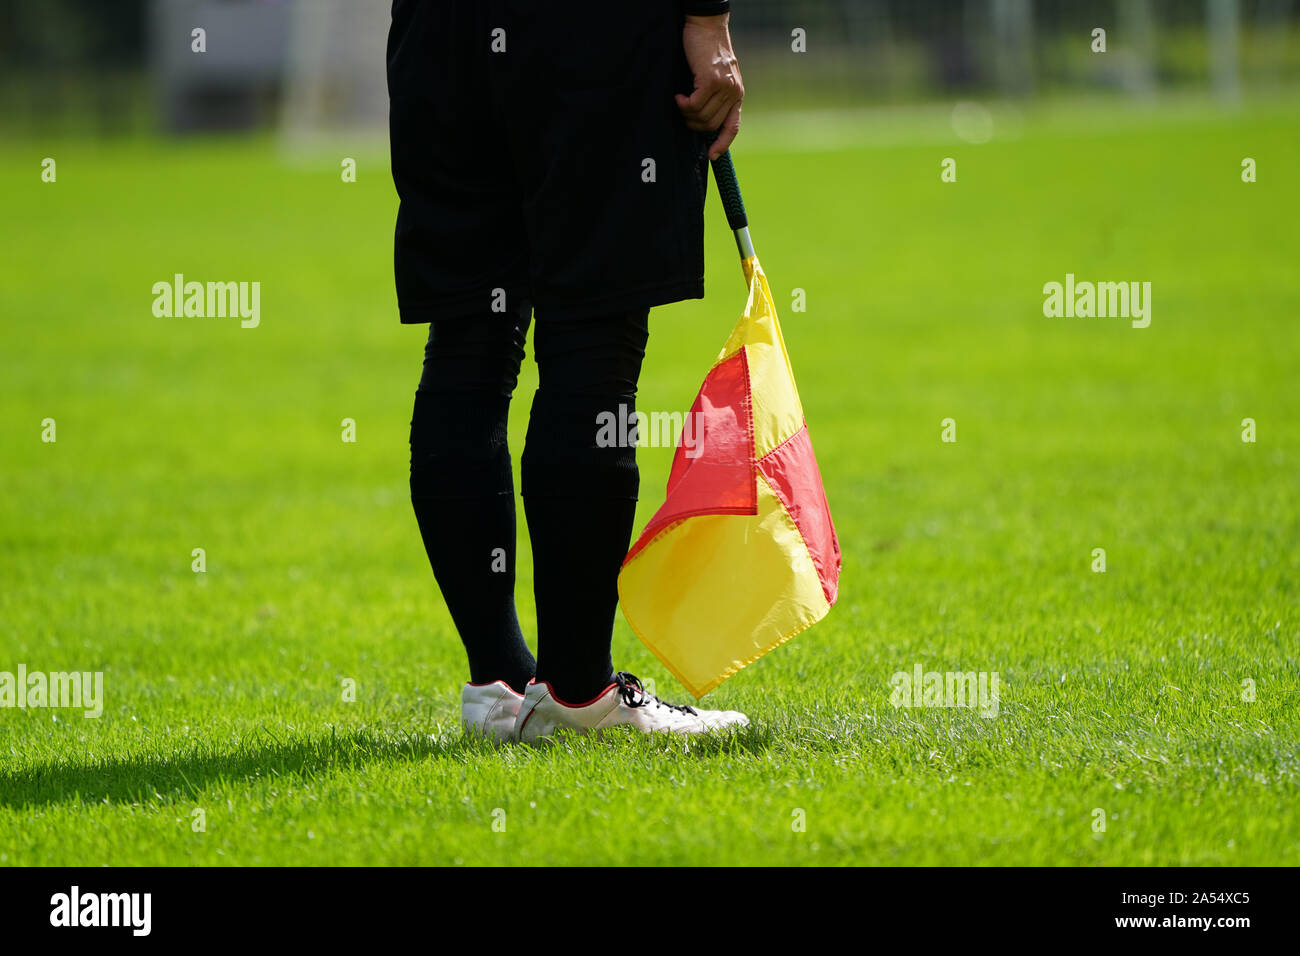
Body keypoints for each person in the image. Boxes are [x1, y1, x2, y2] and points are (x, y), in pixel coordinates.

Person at [387, 0, 750, 742]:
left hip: (440, 34)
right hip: (589, 34)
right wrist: (708, 17)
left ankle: (499, 684)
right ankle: (580, 697)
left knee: (467, 346)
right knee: (594, 347)